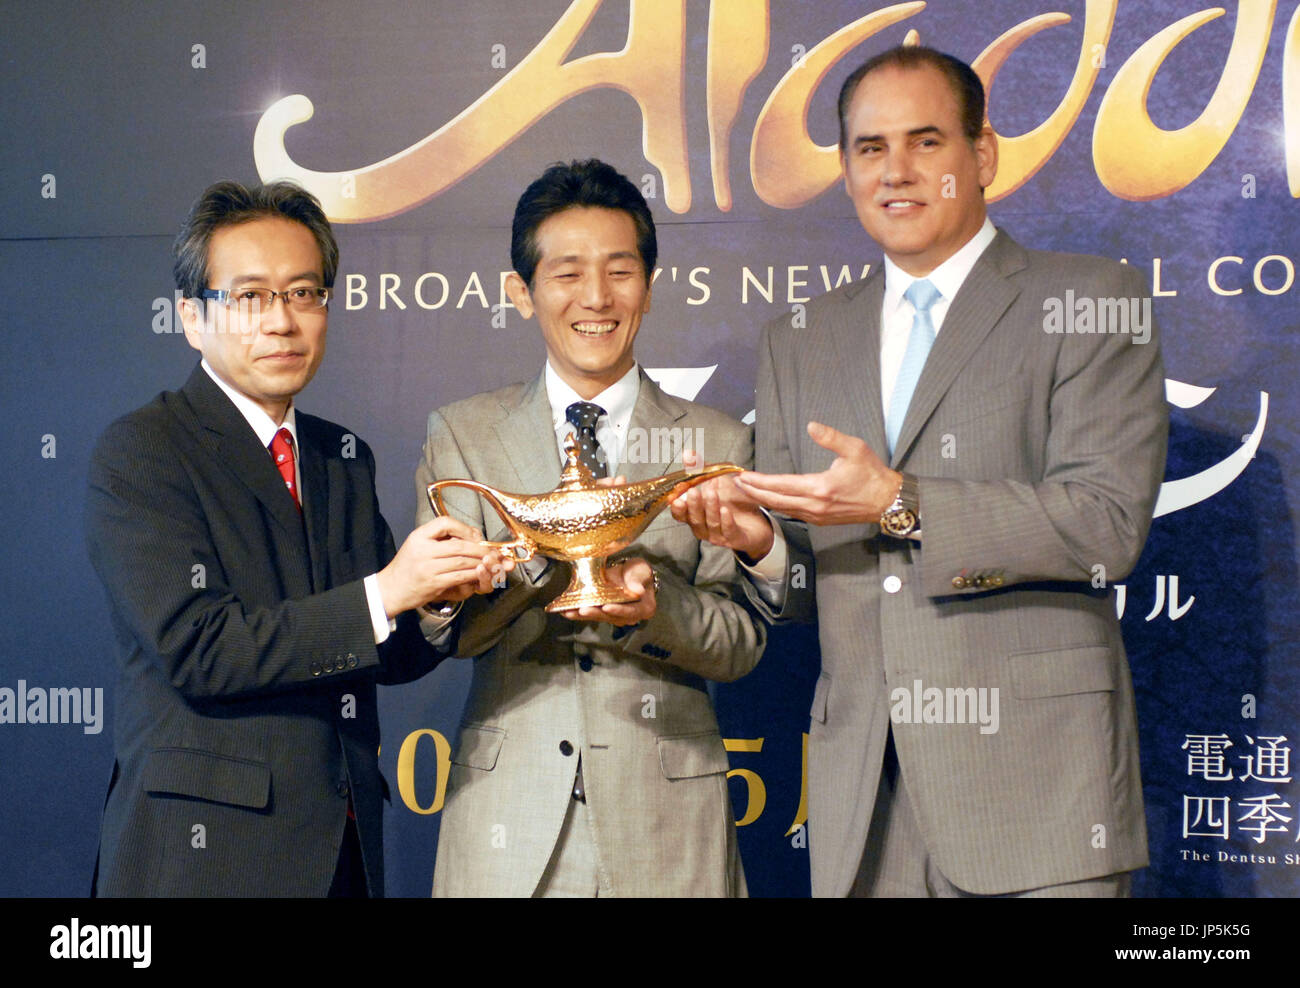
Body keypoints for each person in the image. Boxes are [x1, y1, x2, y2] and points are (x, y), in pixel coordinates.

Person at [673, 46, 1168, 897]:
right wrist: (758, 542)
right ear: (845, 168)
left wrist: (902, 501)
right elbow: (808, 585)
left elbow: (1107, 523)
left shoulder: (1089, 300)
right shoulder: (800, 335)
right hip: (863, 796)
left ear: (981, 156)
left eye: (925, 142)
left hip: (1037, 795)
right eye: (869, 148)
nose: (895, 171)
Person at [86, 180, 508, 897]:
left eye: (304, 293)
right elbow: (202, 649)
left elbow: (383, 648)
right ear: (191, 317)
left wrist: (441, 598)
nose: (282, 321)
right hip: (206, 859)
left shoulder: (340, 455)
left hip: (342, 848)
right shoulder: (144, 450)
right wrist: (389, 590)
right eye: (249, 297)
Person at [416, 159, 764, 896]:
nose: (597, 298)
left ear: (650, 284)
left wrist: (655, 606)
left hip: (669, 830)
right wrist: (539, 560)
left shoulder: (716, 443)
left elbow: (742, 644)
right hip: (506, 830)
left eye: (620, 271)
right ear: (522, 292)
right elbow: (446, 633)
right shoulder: (463, 436)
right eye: (567, 273)